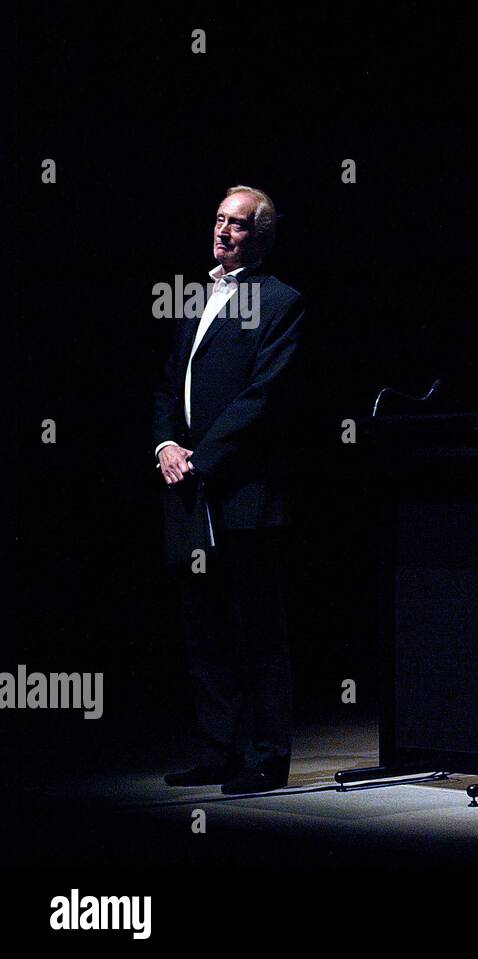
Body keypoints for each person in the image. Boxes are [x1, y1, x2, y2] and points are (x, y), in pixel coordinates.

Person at [153, 185, 306, 794]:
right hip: (189, 486)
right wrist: (166, 446)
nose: (224, 232)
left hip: (244, 490)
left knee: (256, 627)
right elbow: (169, 382)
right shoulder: (196, 296)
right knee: (205, 623)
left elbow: (264, 397)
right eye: (219, 220)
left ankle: (266, 757)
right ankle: (217, 749)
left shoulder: (282, 301)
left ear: (261, 236)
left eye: (238, 224)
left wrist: (202, 459)